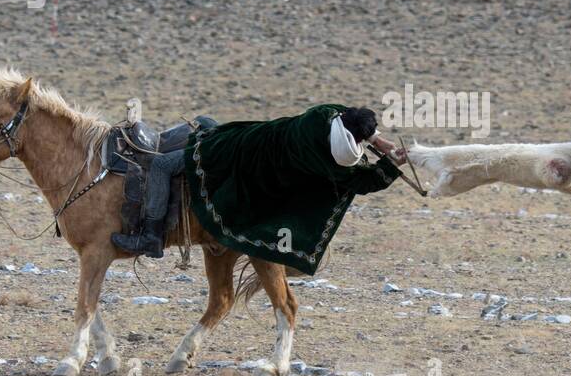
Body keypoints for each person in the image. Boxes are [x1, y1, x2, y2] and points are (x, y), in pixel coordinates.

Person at [113, 105, 404, 262]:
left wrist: (375, 137)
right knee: (201, 124)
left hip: (231, 150)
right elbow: (364, 181)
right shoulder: (330, 164)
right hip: (240, 148)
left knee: (162, 165)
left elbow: (341, 111)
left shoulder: (319, 118)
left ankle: (150, 236)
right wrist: (389, 161)